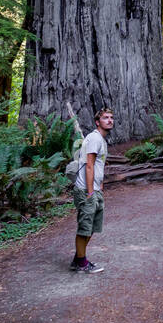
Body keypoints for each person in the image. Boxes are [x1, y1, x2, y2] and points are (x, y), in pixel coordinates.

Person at [71, 106, 113, 273]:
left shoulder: (101, 140)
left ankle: (79, 259)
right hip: (86, 190)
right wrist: (90, 192)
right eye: (105, 118)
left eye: (111, 117)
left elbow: (97, 165)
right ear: (97, 122)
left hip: (95, 189)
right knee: (85, 227)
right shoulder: (95, 138)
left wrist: (99, 186)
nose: (109, 120)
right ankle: (81, 264)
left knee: (91, 227)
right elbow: (89, 165)